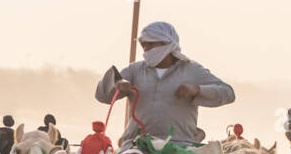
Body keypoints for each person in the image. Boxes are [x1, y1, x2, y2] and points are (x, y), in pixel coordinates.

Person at [95, 21, 235, 146]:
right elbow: (101, 95)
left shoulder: (192, 70)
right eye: (144, 45)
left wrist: (198, 90)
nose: (146, 49)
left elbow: (228, 93)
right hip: (136, 144)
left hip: (179, 145)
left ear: (168, 44)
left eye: (151, 44)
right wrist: (117, 84)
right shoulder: (135, 70)